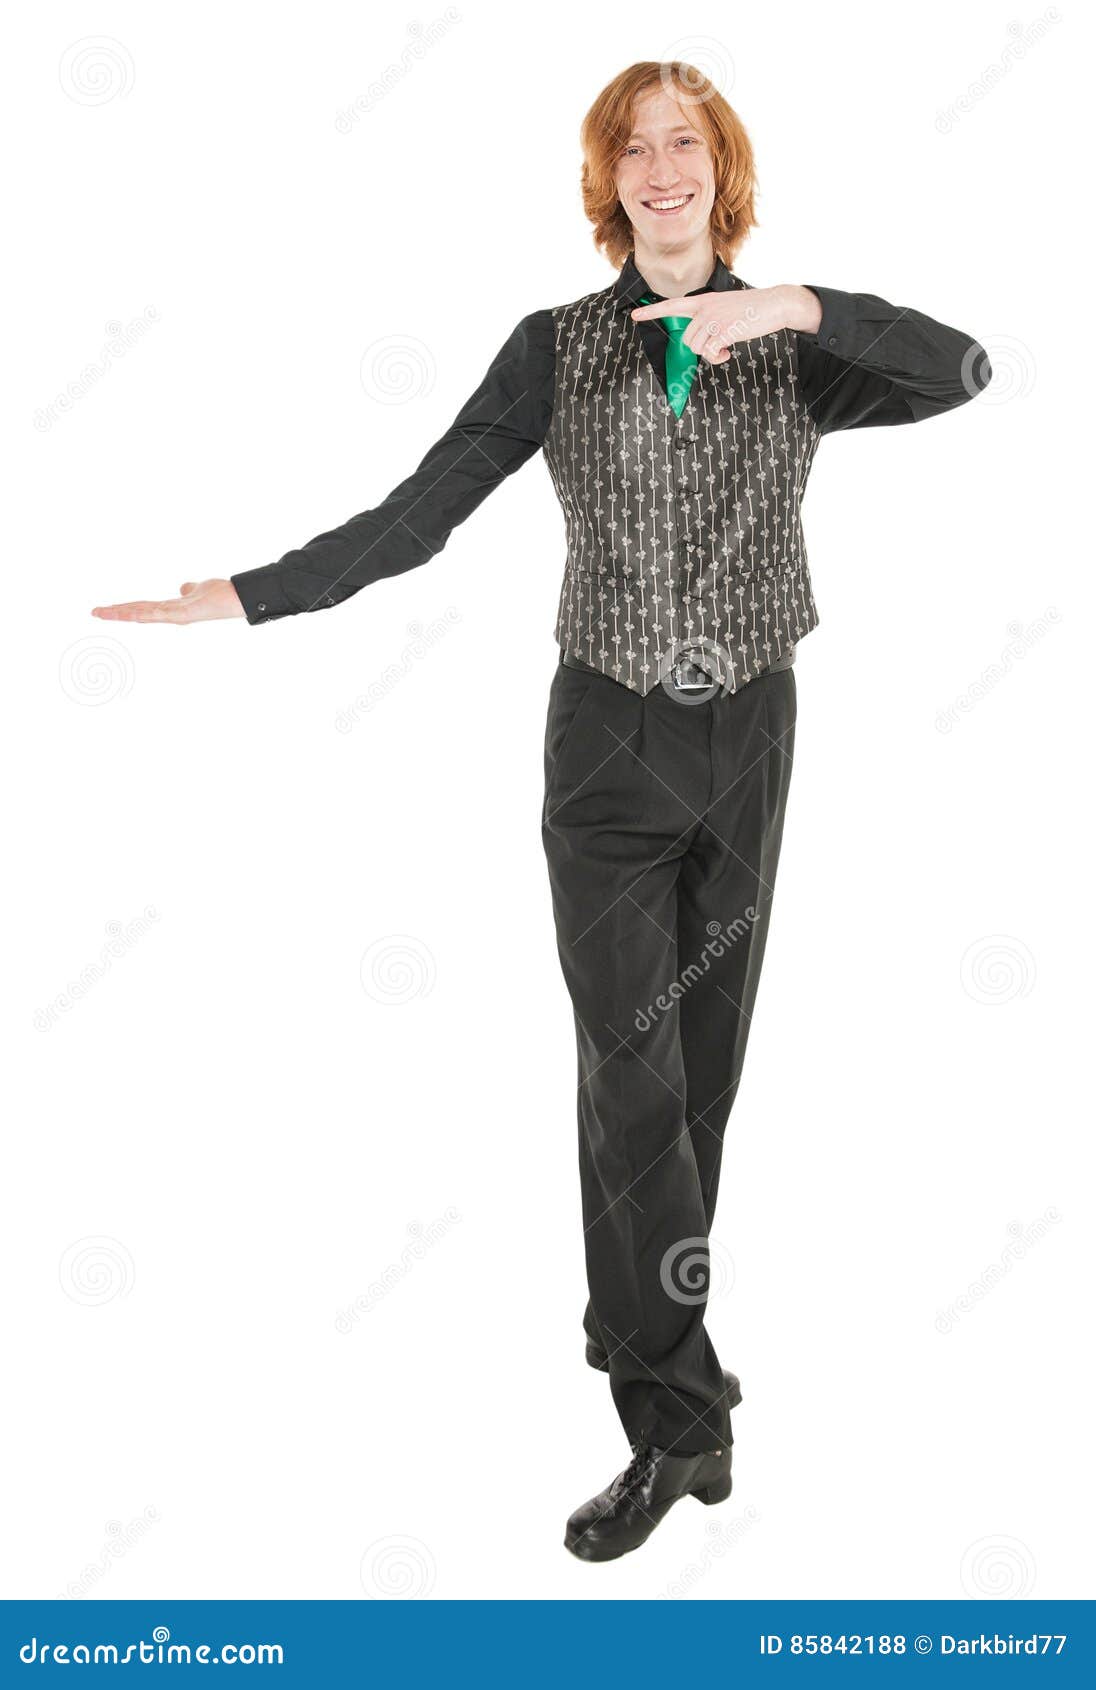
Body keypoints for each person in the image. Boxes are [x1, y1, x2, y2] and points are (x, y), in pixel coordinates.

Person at [93, 59, 992, 1563]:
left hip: (755, 737)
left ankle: (654, 1342)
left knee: (699, 1085)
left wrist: (801, 308)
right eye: (632, 147)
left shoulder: (798, 350)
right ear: (607, 179)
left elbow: (966, 370)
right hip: (609, 757)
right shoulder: (557, 347)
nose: (659, 168)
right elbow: (417, 513)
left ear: (724, 168)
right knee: (632, 1090)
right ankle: (675, 1420)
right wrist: (247, 597)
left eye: (684, 143)